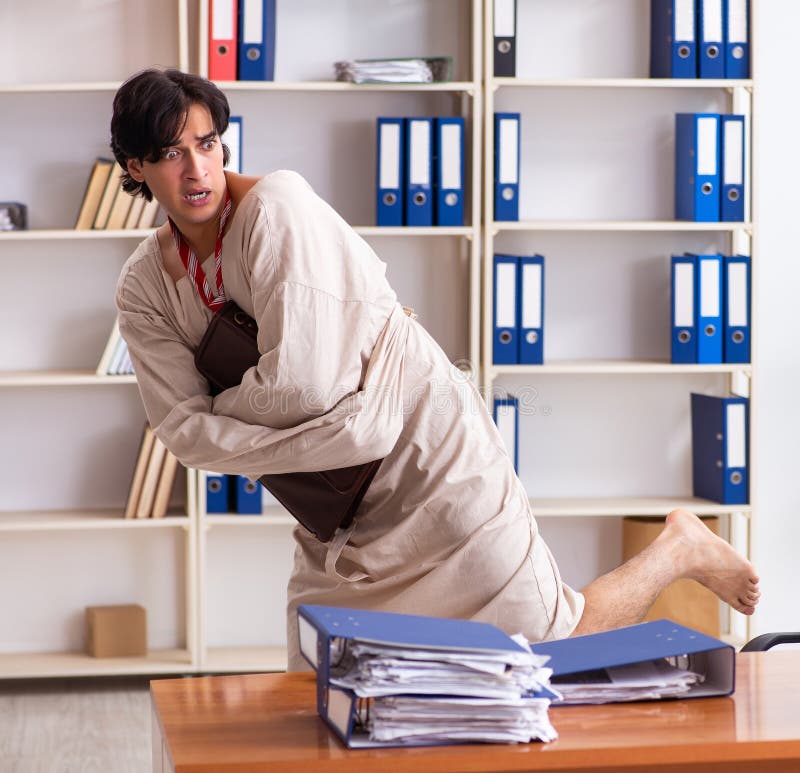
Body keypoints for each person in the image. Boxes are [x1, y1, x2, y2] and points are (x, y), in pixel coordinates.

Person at [111, 68, 760, 670]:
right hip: (335, 505)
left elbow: (299, 385)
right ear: (136, 167)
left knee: (545, 650)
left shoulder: (277, 208)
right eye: (170, 153)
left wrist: (227, 418)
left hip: (432, 457)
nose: (197, 168)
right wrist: (305, 420)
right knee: (322, 665)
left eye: (208, 142)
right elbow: (183, 433)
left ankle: (680, 547)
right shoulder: (143, 285)